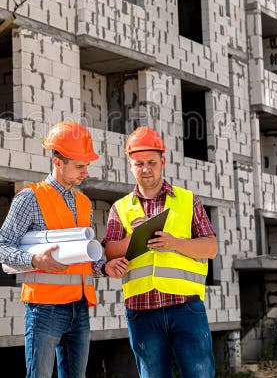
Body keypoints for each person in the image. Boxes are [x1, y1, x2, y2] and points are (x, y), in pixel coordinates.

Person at [0, 120, 129, 378]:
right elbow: (1, 248)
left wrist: (105, 268)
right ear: (58, 162)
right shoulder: (30, 197)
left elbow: (82, 261)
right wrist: (34, 260)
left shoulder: (83, 202)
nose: (85, 172)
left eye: (87, 165)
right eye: (79, 166)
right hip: (44, 309)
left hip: (79, 308)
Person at [103, 126, 218, 378]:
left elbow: (211, 247)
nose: (146, 169)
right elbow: (109, 252)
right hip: (142, 311)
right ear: (131, 165)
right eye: (139, 163)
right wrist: (133, 239)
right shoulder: (120, 208)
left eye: (152, 162)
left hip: (185, 308)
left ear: (163, 162)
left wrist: (174, 243)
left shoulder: (188, 200)